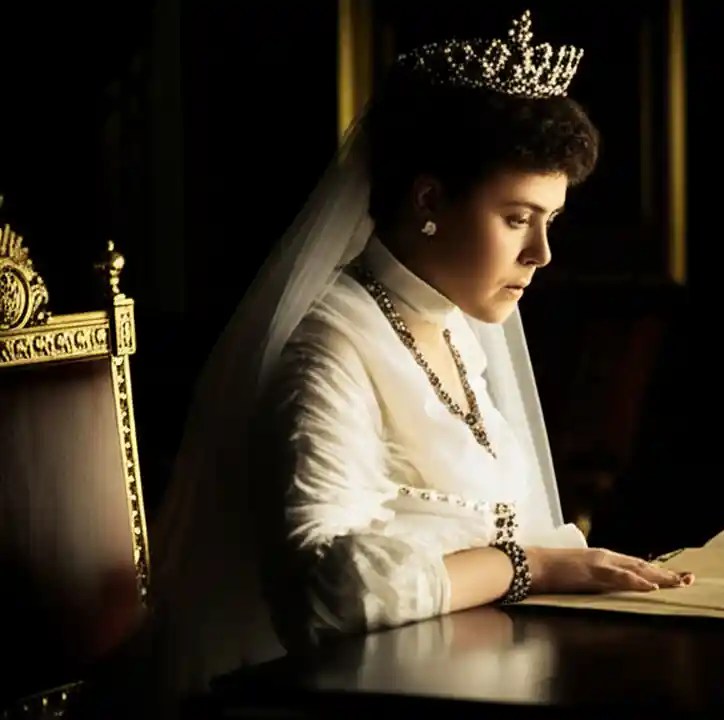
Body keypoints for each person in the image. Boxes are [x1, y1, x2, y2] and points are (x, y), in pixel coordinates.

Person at [146, 9, 692, 703]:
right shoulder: (330, 346)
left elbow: (506, 525)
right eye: (517, 218)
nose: (542, 254)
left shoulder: (455, 327)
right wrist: (528, 567)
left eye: (550, 221)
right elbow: (327, 590)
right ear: (429, 198)